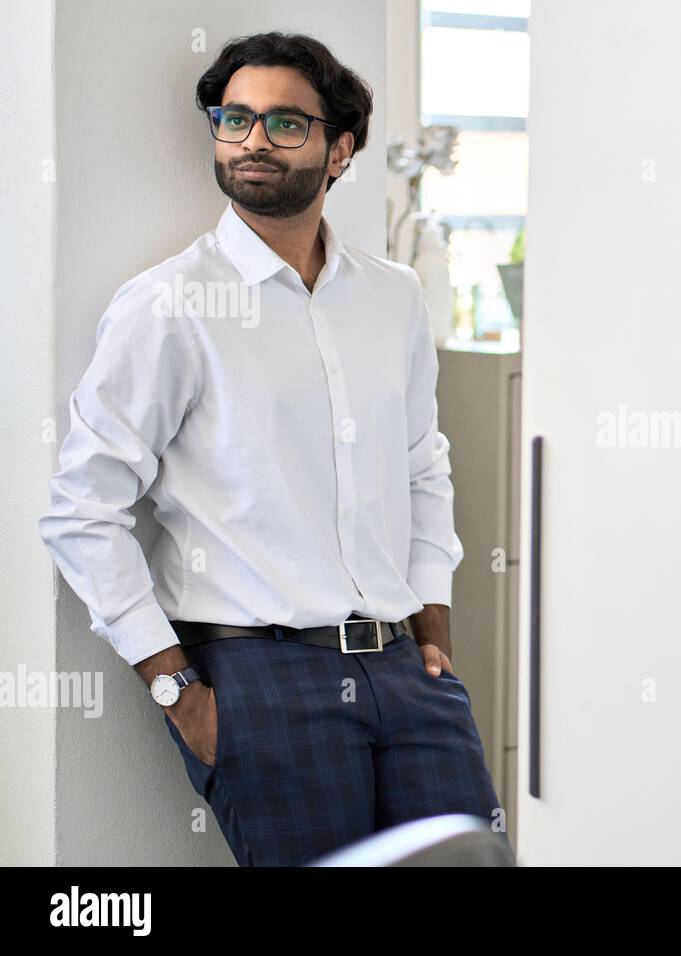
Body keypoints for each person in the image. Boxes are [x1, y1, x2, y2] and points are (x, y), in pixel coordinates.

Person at [37, 31, 506, 866]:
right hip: (260, 678)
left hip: (407, 670)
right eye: (235, 118)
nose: (253, 139)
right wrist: (179, 691)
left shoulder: (392, 298)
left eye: (286, 123)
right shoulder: (169, 306)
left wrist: (431, 618)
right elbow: (82, 508)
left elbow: (419, 464)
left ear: (339, 149)